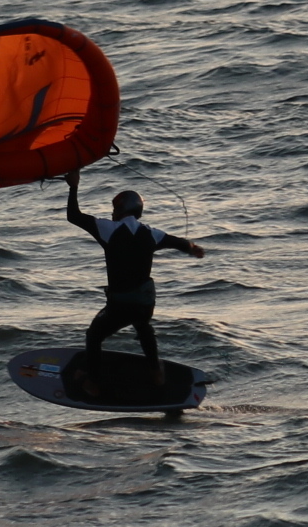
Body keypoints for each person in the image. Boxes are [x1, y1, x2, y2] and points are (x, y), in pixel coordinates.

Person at [63, 168, 204, 394]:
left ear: (119, 210)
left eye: (113, 209)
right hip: (145, 302)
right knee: (142, 324)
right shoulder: (152, 233)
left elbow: (73, 216)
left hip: (120, 304)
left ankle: (94, 383)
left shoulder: (108, 229)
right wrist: (193, 249)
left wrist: (73, 186)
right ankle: (155, 372)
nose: (111, 214)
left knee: (94, 335)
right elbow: (177, 242)